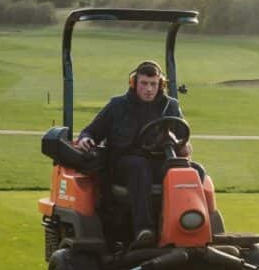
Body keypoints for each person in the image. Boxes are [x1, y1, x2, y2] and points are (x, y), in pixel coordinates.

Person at [73, 60, 189, 249]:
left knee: (194, 171)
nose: (149, 89)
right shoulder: (118, 106)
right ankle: (144, 230)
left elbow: (183, 140)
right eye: (144, 83)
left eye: (154, 84)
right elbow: (91, 131)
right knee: (138, 166)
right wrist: (85, 138)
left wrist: (184, 147)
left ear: (161, 84)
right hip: (123, 164)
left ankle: (189, 225)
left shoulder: (171, 107)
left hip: (158, 161)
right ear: (134, 83)